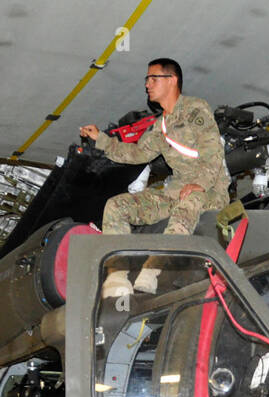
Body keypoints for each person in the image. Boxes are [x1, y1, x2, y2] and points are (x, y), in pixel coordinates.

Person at [79, 58, 229, 297]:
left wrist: (199, 184)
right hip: (176, 192)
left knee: (190, 201)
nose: (147, 84)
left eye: (153, 78)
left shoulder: (195, 109)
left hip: (210, 191)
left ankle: (152, 270)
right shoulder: (161, 126)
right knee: (116, 206)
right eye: (147, 79)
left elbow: (213, 153)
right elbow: (138, 154)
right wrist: (102, 140)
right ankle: (117, 278)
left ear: (172, 80)